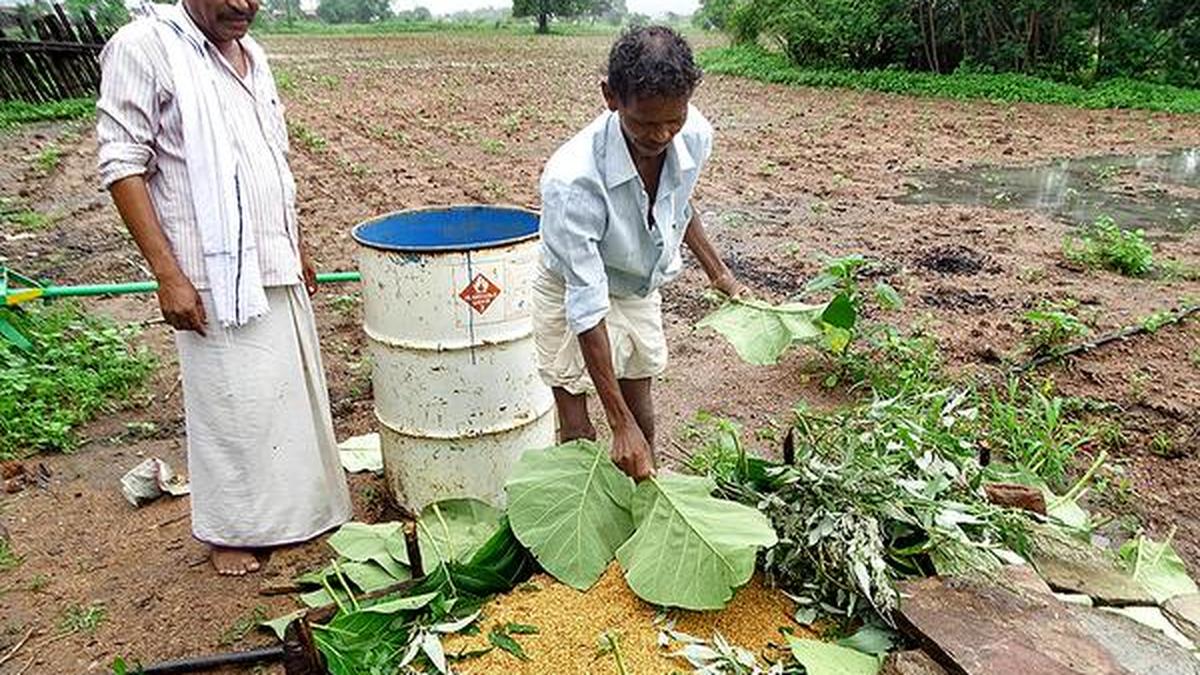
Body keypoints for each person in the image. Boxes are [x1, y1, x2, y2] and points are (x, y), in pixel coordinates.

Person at [96, 0, 351, 575]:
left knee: (283, 395)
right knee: (229, 404)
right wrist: (167, 273)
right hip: (209, 270)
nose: (243, 4)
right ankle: (231, 531)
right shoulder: (145, 46)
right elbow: (122, 164)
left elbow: (270, 158)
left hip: (270, 254)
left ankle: (297, 514)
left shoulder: (251, 55)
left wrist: (297, 244)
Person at [533, 26, 746, 481]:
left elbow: (678, 205)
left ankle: (644, 505)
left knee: (640, 406)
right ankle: (582, 524)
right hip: (571, 286)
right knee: (579, 423)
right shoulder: (573, 182)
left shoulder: (695, 135)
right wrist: (617, 424)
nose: (663, 134)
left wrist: (721, 275)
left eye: (675, 118)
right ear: (611, 97)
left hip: (637, 279)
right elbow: (586, 305)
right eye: (646, 123)